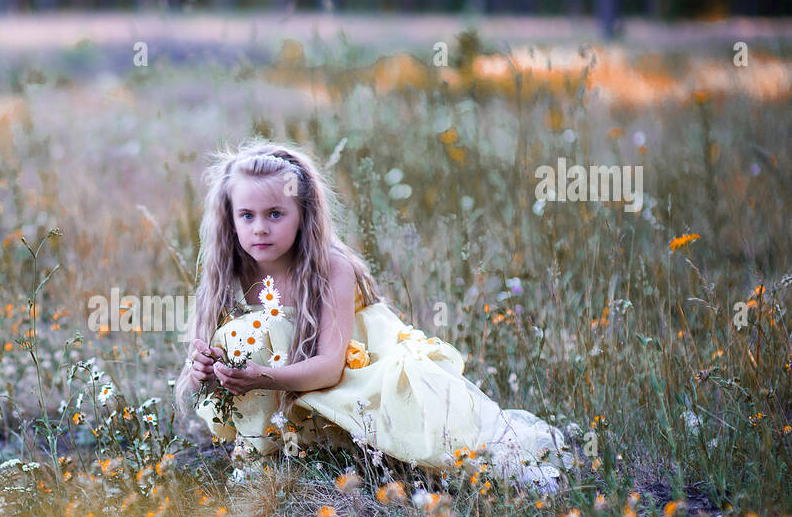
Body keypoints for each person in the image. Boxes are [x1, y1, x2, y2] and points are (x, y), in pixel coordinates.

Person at [174, 138, 576, 493]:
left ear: (304, 213)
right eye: (247, 215)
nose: (260, 228)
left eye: (275, 214)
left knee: (416, 415)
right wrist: (203, 371)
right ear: (230, 219)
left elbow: (330, 369)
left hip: (354, 371)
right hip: (287, 388)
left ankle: (506, 464)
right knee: (238, 336)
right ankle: (276, 448)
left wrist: (260, 377)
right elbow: (199, 376)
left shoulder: (330, 267)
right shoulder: (228, 272)